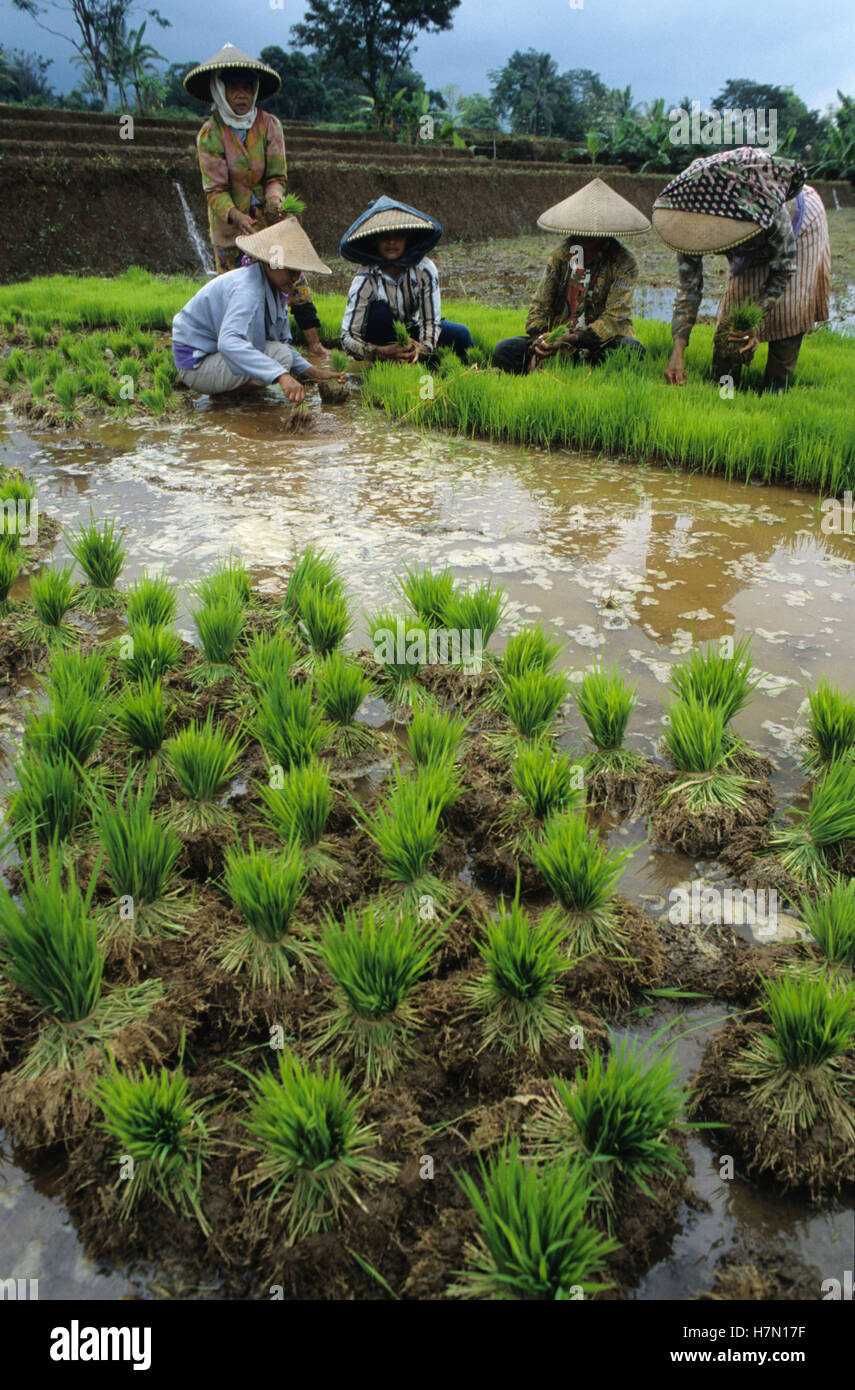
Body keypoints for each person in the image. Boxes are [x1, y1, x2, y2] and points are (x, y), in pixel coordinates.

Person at [183, 42, 331, 361]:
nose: (241, 95)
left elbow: (276, 175)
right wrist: (236, 216)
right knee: (238, 292)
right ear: (220, 90)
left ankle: (314, 344)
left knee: (294, 278)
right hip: (230, 229)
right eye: (233, 87)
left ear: (255, 90)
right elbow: (215, 190)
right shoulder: (210, 133)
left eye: (247, 88)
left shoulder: (270, 125)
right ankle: (240, 353)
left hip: (270, 224)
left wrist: (274, 198)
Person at [652, 148, 831, 393]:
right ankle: (725, 390)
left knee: (789, 310)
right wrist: (678, 349)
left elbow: (784, 269)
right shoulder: (688, 220)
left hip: (800, 225)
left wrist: (755, 321)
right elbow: (688, 290)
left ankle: (776, 389)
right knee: (731, 329)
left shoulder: (764, 205)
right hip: (748, 248)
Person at [171, 217, 346, 402]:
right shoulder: (248, 289)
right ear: (272, 263)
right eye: (291, 270)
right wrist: (281, 376)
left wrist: (314, 372)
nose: (296, 277)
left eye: (299, 271)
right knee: (281, 359)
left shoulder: (274, 290)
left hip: (214, 357)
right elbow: (228, 342)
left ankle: (235, 391)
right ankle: (226, 396)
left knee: (281, 354)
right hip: (197, 364)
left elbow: (279, 343)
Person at [492, 178, 650, 374]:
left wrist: (572, 338)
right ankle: (556, 364)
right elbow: (539, 307)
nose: (587, 237)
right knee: (505, 350)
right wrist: (543, 340)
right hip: (556, 343)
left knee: (631, 351)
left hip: (600, 344)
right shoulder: (561, 256)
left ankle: (587, 372)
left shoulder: (623, 262)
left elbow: (614, 318)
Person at [339, 196, 473, 362]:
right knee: (379, 313)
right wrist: (380, 351)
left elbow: (430, 322)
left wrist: (422, 348)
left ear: (408, 238)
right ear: (375, 240)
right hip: (380, 336)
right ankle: (388, 362)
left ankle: (429, 364)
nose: (392, 242)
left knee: (461, 335)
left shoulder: (424, 270)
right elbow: (348, 337)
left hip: (413, 331)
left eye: (399, 235)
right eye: (384, 236)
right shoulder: (366, 278)